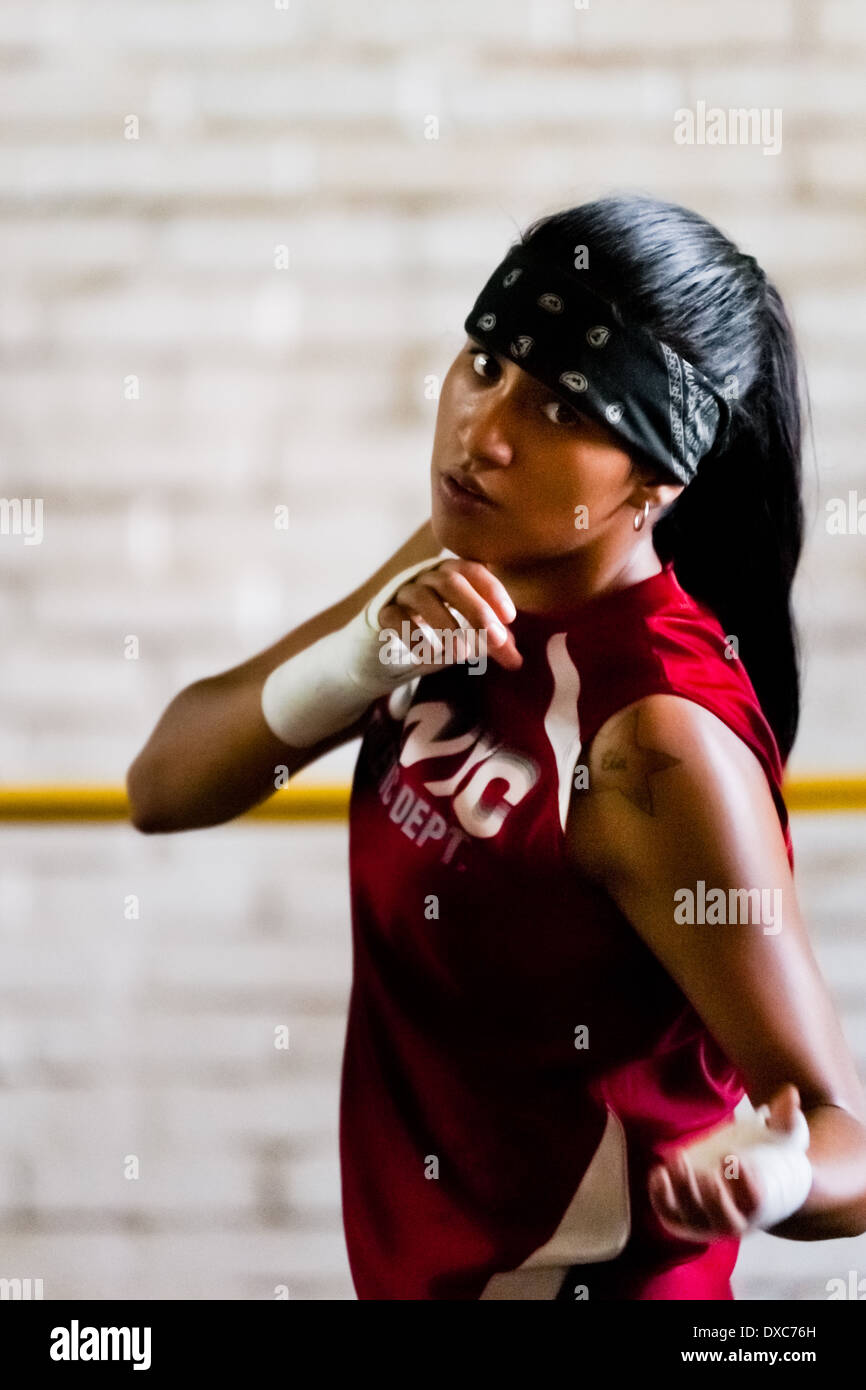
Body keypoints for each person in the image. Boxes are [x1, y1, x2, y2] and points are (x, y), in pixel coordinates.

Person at [127, 193, 866, 1300]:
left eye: (567, 404)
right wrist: (354, 664)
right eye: (485, 362)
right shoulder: (462, 556)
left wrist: (766, 1174)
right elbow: (164, 783)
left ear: (657, 480)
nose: (485, 431)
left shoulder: (652, 735)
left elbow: (840, 1134)